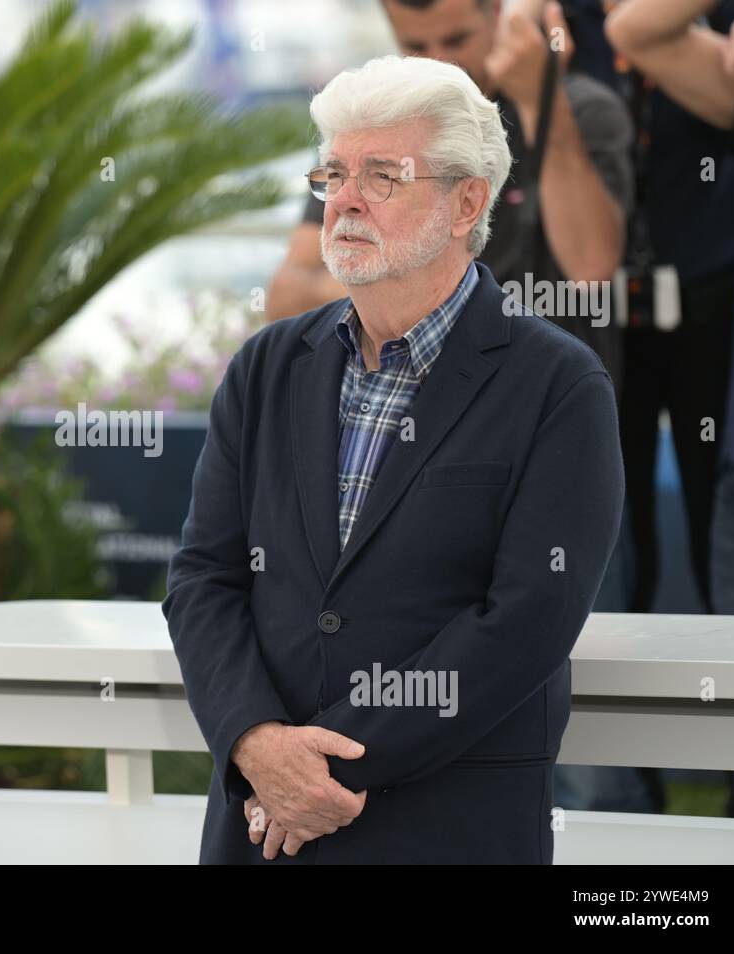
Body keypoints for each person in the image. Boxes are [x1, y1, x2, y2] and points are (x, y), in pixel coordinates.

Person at [162, 55, 624, 863]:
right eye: (334, 172)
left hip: (448, 824)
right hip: (262, 828)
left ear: (466, 203)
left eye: (382, 176)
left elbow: (526, 622)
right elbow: (205, 578)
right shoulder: (266, 368)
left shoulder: (558, 383)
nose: (342, 200)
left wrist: (316, 770)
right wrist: (258, 746)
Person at [267, 0, 632, 401]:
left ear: (497, 16)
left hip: (545, 397)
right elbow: (289, 298)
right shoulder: (370, 130)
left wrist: (540, 103)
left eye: (458, 39)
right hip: (406, 398)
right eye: (417, 45)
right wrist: (421, 286)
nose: (443, 62)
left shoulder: (580, 110)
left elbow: (591, 267)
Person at [608, 0, 734, 818]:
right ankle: (624, 805)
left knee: (718, 553)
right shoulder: (544, 24)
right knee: (611, 565)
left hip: (716, 307)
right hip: (598, 321)